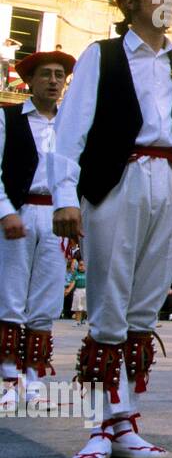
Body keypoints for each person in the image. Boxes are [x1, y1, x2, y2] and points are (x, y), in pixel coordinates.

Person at [54, 0, 172, 458]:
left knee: (145, 305)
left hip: (168, 184)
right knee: (108, 300)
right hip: (117, 179)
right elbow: (72, 131)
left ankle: (126, 421)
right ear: (130, 1)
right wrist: (66, 195)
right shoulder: (102, 56)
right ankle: (98, 426)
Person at [0, 50, 75, 412]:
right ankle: (8, 377)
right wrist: (5, 212)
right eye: (45, 74)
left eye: (60, 74)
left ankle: (33, 377)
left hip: (56, 217)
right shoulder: (9, 118)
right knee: (11, 295)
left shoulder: (71, 126)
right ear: (29, 81)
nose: (53, 80)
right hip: (20, 210)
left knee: (45, 299)